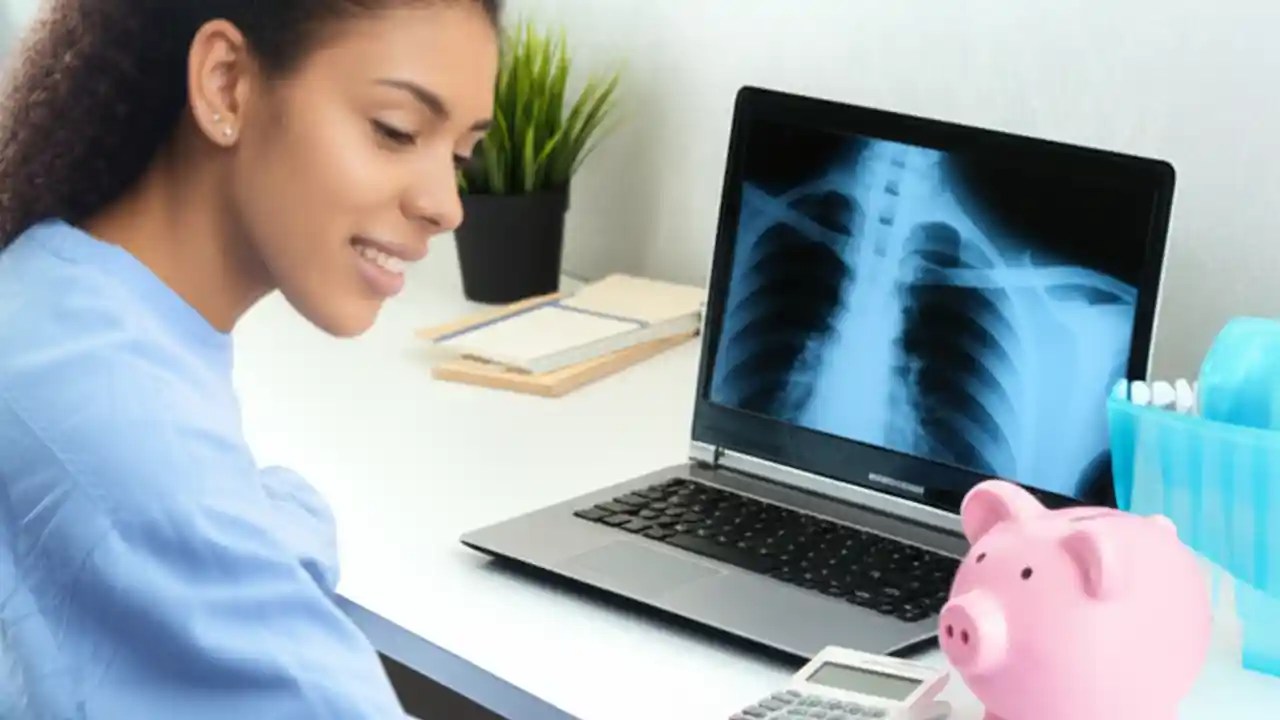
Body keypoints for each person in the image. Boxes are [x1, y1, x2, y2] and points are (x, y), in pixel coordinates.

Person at [0, 0, 500, 717]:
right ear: (226, 83)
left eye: (458, 155)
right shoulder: (131, 431)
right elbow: (177, 501)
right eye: (396, 131)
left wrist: (265, 529)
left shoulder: (57, 289)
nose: (447, 205)